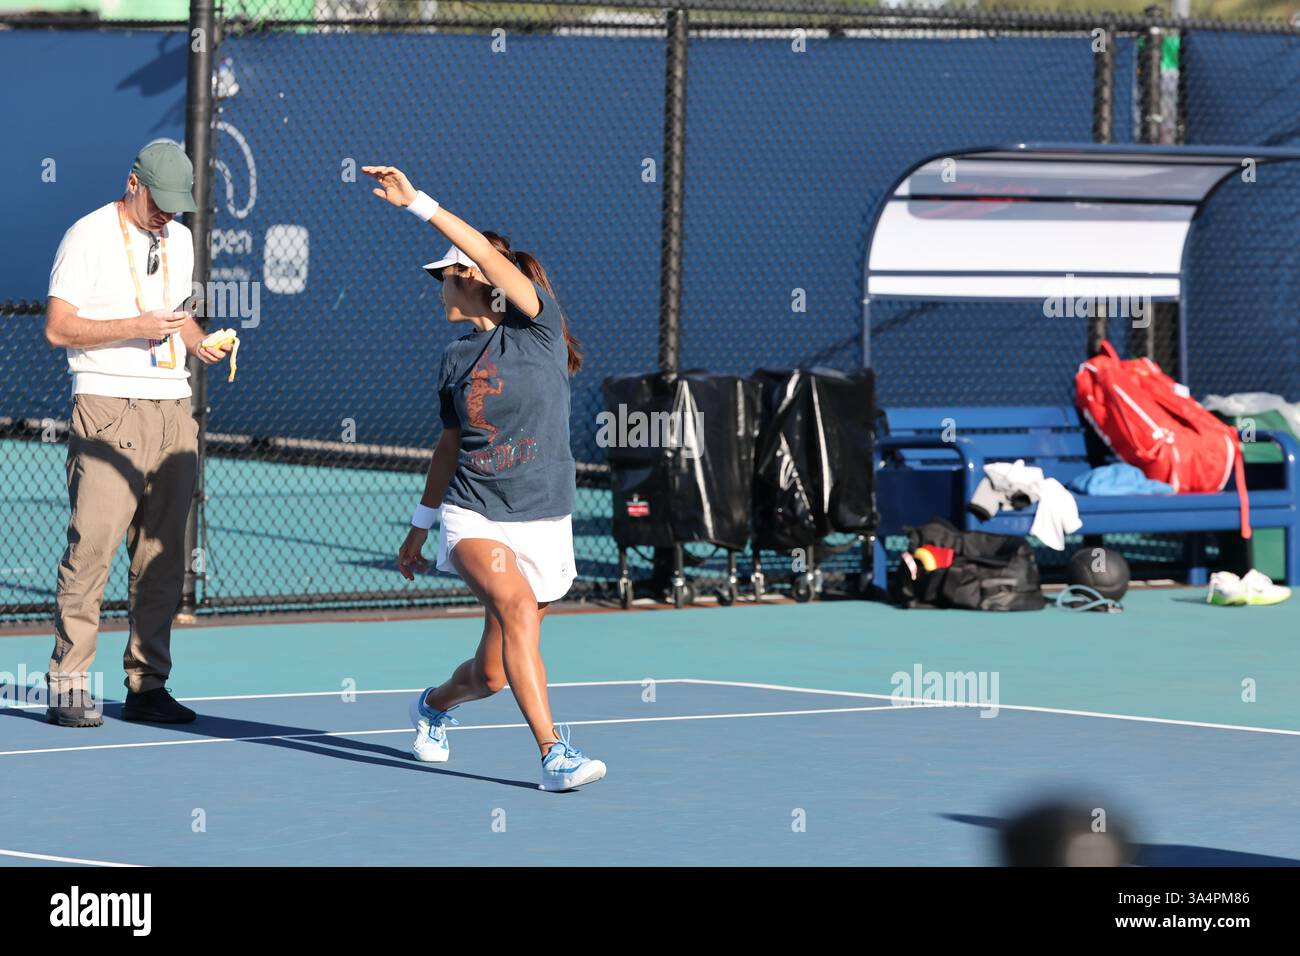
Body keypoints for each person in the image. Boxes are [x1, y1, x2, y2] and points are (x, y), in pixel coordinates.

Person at [363, 164, 605, 792]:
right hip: (474, 512)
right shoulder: (453, 359)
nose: (438, 287)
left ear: (470, 276)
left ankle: (434, 705)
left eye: (444, 276)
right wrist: (420, 527)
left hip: (544, 514)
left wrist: (418, 203)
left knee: (494, 674)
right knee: (518, 607)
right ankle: (555, 754)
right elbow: (450, 445)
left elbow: (485, 258)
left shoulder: (539, 328)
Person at [43, 140, 231, 727]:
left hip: (172, 408)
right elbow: (57, 327)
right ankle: (70, 686)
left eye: (178, 205)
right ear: (133, 183)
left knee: (162, 556)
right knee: (92, 550)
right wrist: (136, 327)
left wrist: (199, 342)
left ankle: (147, 686)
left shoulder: (179, 239)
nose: (167, 215)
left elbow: (177, 313)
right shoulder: (87, 235)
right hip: (107, 407)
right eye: (160, 201)